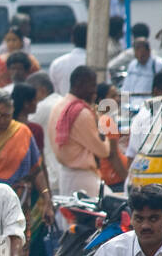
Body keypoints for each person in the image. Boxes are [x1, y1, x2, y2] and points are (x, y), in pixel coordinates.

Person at [47, 65, 114, 197]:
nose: (95, 91)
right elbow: (104, 151)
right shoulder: (81, 113)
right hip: (83, 179)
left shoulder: (59, 106)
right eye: (92, 86)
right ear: (79, 85)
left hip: (67, 175)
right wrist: (100, 120)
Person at [49, 22, 89, 95]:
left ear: (72, 39)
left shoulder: (57, 63)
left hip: (63, 105)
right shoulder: (97, 64)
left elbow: (54, 93)